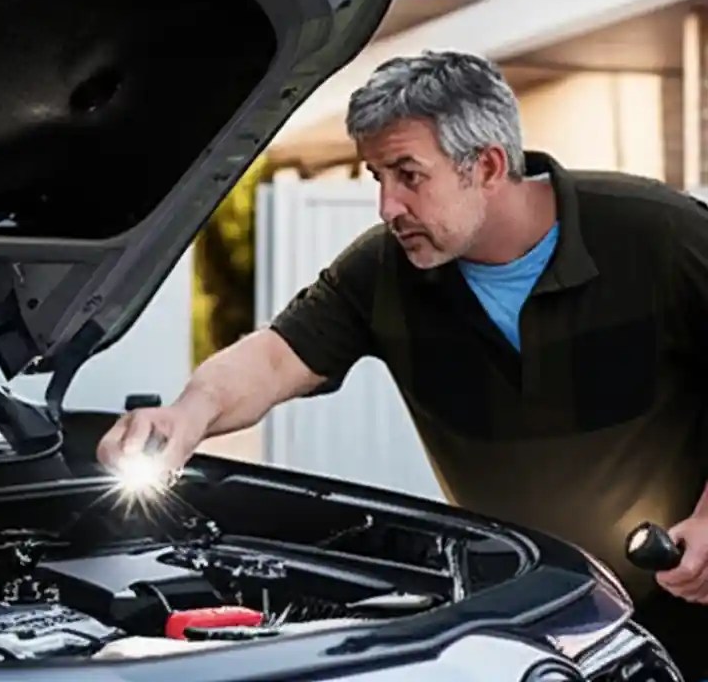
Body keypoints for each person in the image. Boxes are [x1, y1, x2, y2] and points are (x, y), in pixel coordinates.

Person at [96, 49, 708, 676]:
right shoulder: (384, 270)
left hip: (689, 609)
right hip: (528, 629)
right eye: (377, 177)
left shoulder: (659, 233)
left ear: (489, 165)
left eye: (408, 175)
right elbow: (275, 358)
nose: (388, 206)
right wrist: (187, 413)